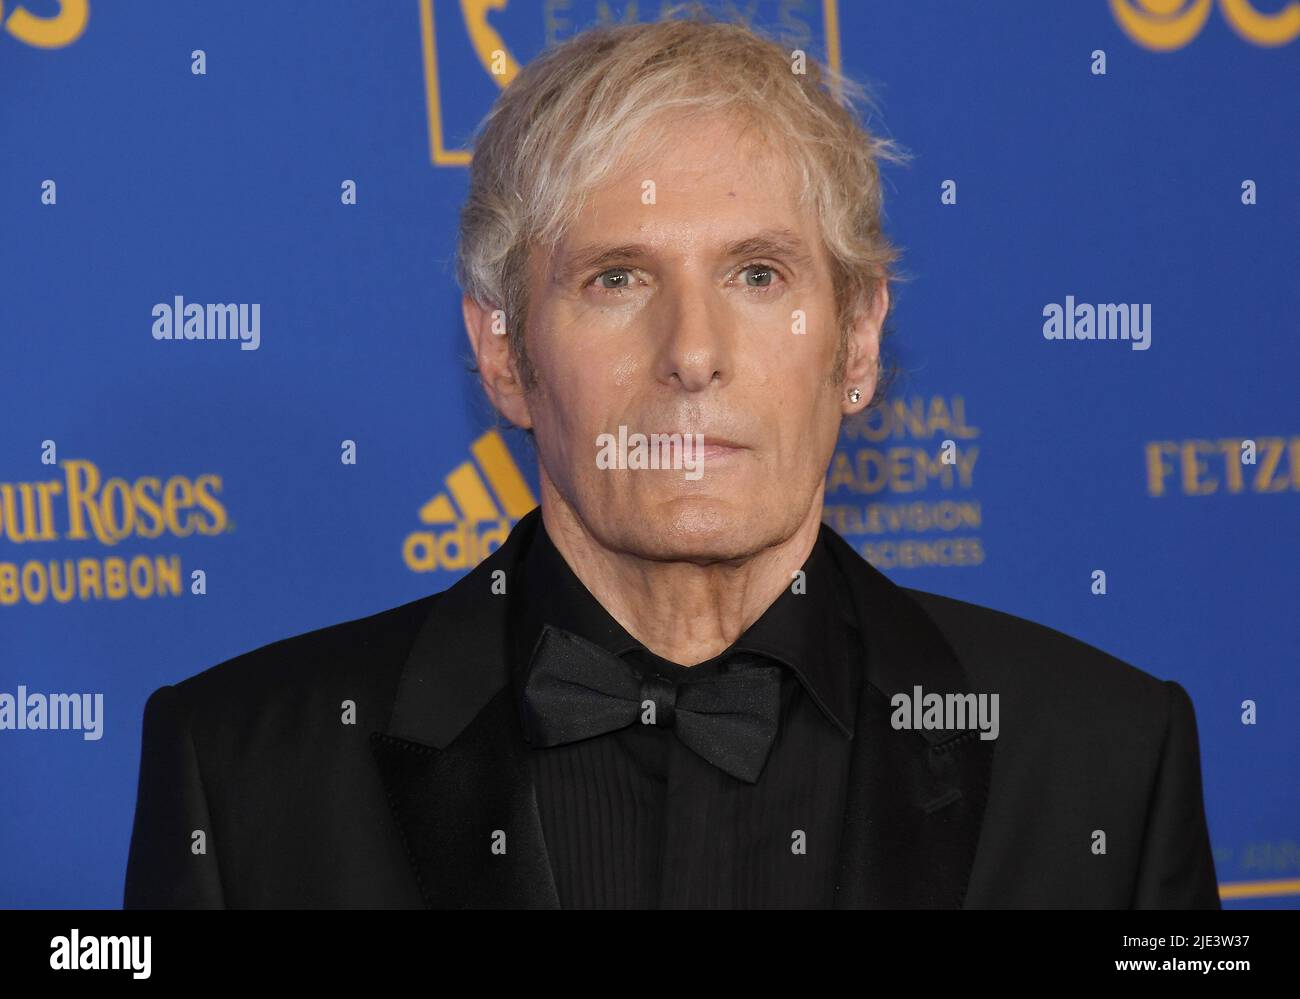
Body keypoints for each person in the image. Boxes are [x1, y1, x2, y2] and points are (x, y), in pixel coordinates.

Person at [123, 14, 1220, 909]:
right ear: (504, 355)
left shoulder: (1103, 762)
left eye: (756, 274)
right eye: (616, 279)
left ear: (858, 339)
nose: (693, 353)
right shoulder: (249, 772)